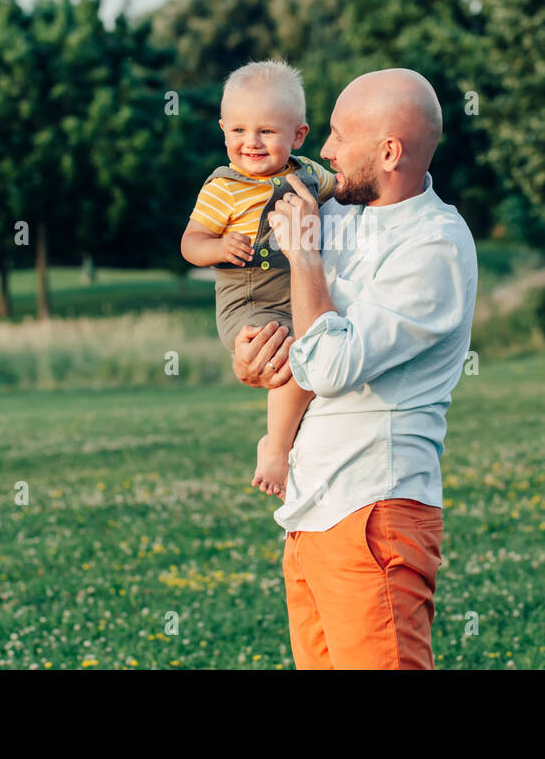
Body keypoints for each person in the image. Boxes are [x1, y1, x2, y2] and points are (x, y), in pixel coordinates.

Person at [233, 68, 478, 670]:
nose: (326, 150)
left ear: (389, 151)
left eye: (340, 136)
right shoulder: (341, 217)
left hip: (375, 512)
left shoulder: (436, 247)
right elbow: (288, 334)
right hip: (311, 512)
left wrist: (305, 259)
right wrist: (251, 356)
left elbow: (331, 365)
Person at [180, 59, 334, 499]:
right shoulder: (223, 188)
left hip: (297, 295)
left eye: (267, 131)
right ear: (223, 128)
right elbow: (190, 243)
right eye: (239, 131)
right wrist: (218, 248)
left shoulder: (309, 174)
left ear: (298, 135)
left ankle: (291, 439)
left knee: (312, 346)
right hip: (246, 302)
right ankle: (275, 446)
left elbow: (344, 189)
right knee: (287, 352)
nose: (251, 143)